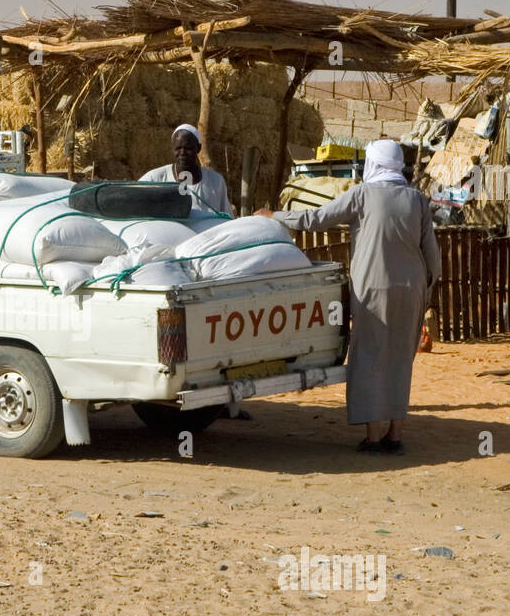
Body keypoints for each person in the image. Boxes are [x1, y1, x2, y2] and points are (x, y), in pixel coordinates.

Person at [255, 139, 440, 455]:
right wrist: (427, 291)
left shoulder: (363, 195)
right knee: (399, 359)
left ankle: (372, 436)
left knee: (369, 356)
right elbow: (432, 255)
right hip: (412, 287)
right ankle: (395, 436)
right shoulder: (417, 201)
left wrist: (275, 217)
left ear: (373, 163)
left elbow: (316, 220)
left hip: (372, 288)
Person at [139, 124, 232, 216]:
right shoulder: (154, 179)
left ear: (198, 148)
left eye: (188, 148)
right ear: (172, 148)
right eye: (178, 148)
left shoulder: (216, 181)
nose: (182, 153)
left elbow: (227, 218)